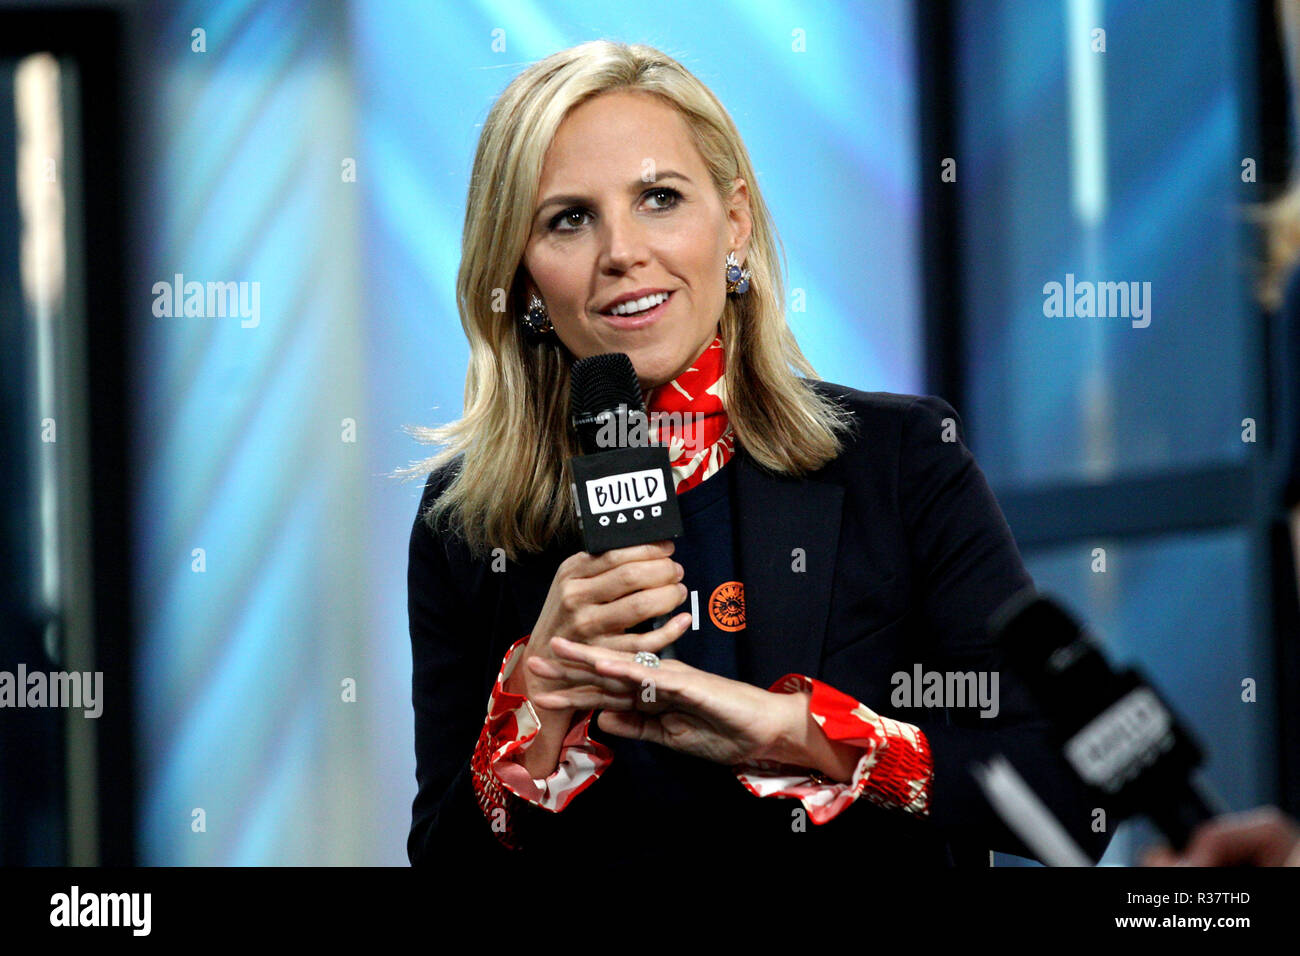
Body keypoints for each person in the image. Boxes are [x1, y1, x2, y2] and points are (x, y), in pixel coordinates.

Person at [403, 39, 1111, 874]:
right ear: (520, 279)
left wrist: (806, 736)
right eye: (569, 218)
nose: (622, 251)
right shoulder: (468, 521)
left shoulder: (901, 460)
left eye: (659, 197)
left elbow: (1075, 803)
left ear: (733, 223)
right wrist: (536, 700)